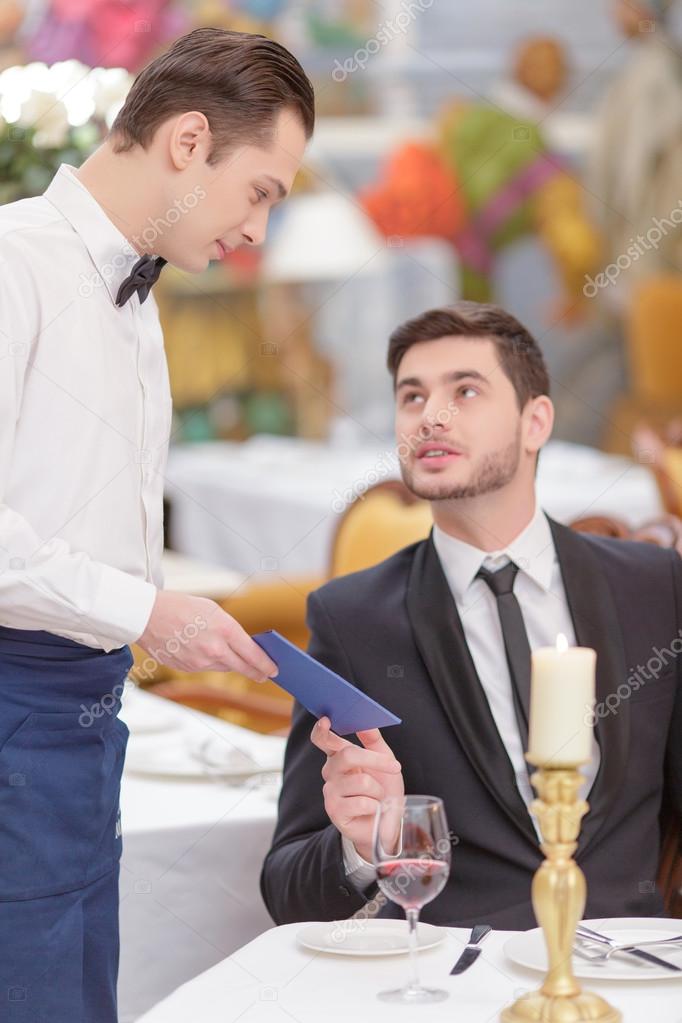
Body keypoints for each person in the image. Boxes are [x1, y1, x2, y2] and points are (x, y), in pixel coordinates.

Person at [0, 27, 313, 1020]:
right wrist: (148, 610)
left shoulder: (136, 297)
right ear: (186, 142)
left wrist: (163, 616)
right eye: (260, 190)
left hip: (89, 717)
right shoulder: (14, 265)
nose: (257, 229)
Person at [261, 301, 682, 929]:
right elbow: (287, 890)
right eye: (411, 396)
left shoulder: (656, 587)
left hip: (629, 974)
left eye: (465, 390)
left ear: (535, 421)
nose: (431, 416)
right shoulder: (352, 621)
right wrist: (360, 845)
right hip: (455, 983)